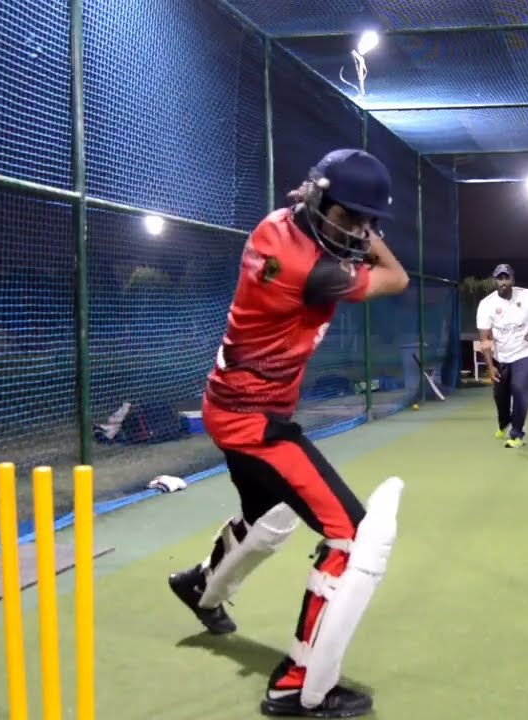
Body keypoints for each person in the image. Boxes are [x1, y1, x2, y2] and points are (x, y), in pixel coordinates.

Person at [168, 148, 410, 718]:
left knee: (267, 517)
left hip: (228, 405)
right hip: (255, 422)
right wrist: (370, 238)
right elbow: (397, 278)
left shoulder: (276, 224)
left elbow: (344, 238)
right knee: (352, 536)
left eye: (368, 222)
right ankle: (298, 685)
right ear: (318, 201)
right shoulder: (315, 273)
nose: (359, 233)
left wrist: (345, 214)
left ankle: (199, 586)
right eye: (350, 218)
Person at [475, 264, 528, 447]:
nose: (503, 282)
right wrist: (490, 366)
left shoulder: (527, 296)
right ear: (495, 281)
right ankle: (504, 423)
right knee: (500, 396)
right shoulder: (486, 305)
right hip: (501, 356)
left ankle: (516, 434)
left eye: (507, 278)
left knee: (520, 387)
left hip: (526, 352)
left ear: (513, 280)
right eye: (500, 279)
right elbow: (485, 339)